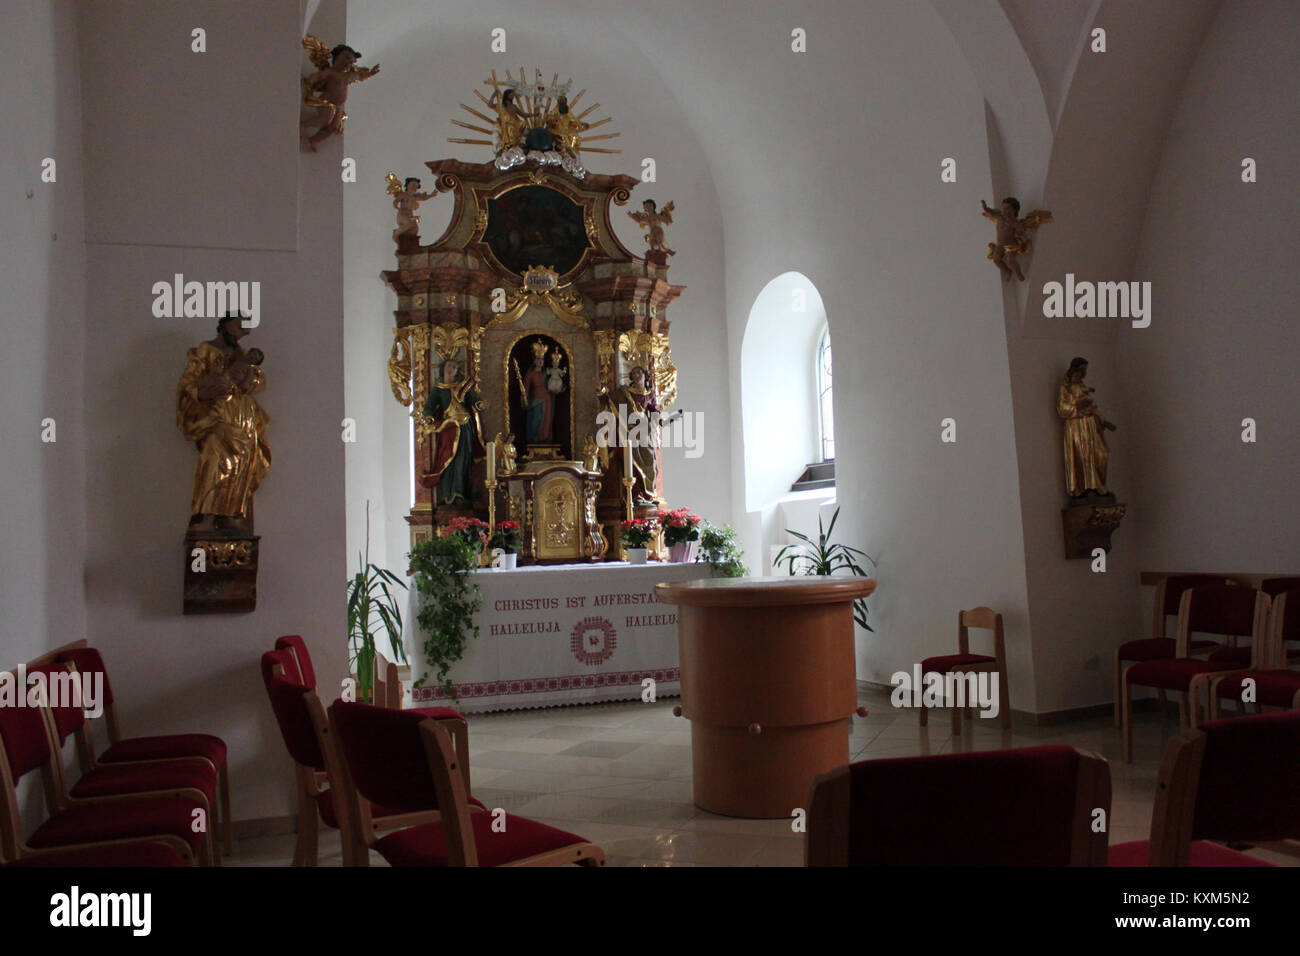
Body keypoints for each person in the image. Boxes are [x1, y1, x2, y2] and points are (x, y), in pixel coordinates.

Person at [177, 314, 271, 533]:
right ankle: (206, 516)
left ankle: (231, 514)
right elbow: (188, 384)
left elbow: (257, 382)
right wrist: (206, 388)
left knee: (241, 465)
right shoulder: (205, 351)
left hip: (242, 416)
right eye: (238, 328)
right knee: (214, 462)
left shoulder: (242, 356)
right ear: (225, 325)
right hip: (216, 417)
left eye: (244, 331)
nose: (242, 334)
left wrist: (249, 379)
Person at [423, 359, 484, 507]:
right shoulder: (438, 389)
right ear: (443, 368)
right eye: (450, 366)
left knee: (463, 459)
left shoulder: (463, 388)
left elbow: (475, 402)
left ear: (458, 371)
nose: (452, 369)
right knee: (447, 459)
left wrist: (482, 405)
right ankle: (448, 494)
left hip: (464, 427)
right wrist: (429, 419)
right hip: (449, 428)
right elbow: (428, 408)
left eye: (455, 367)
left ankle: (461, 493)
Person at [301, 44, 380, 151]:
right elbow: (319, 76)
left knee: (333, 127)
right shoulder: (331, 72)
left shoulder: (348, 76)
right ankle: (303, 125)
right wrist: (310, 81)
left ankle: (313, 140)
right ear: (337, 57)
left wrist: (370, 73)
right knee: (326, 118)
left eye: (351, 62)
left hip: (338, 105)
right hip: (326, 101)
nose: (348, 62)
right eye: (346, 57)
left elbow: (360, 76)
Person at [1057, 357, 1116, 498]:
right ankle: (1088, 487)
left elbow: (1092, 407)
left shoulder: (1083, 387)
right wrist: (1078, 407)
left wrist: (1103, 421)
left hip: (1090, 424)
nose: (1085, 373)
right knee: (1083, 456)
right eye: (1083, 370)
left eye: (1086, 370)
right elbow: (1062, 409)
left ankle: (1098, 485)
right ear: (1076, 370)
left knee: (1101, 454)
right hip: (1077, 425)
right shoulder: (1065, 388)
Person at [518, 341, 557, 445]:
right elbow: (525, 388)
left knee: (546, 421)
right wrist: (524, 397)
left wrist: (557, 388)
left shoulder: (546, 373)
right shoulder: (530, 374)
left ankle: (545, 439)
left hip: (547, 399)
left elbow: (553, 382)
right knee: (536, 419)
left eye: (542, 359)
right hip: (535, 400)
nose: (540, 361)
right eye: (538, 359)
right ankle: (534, 439)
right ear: (535, 361)